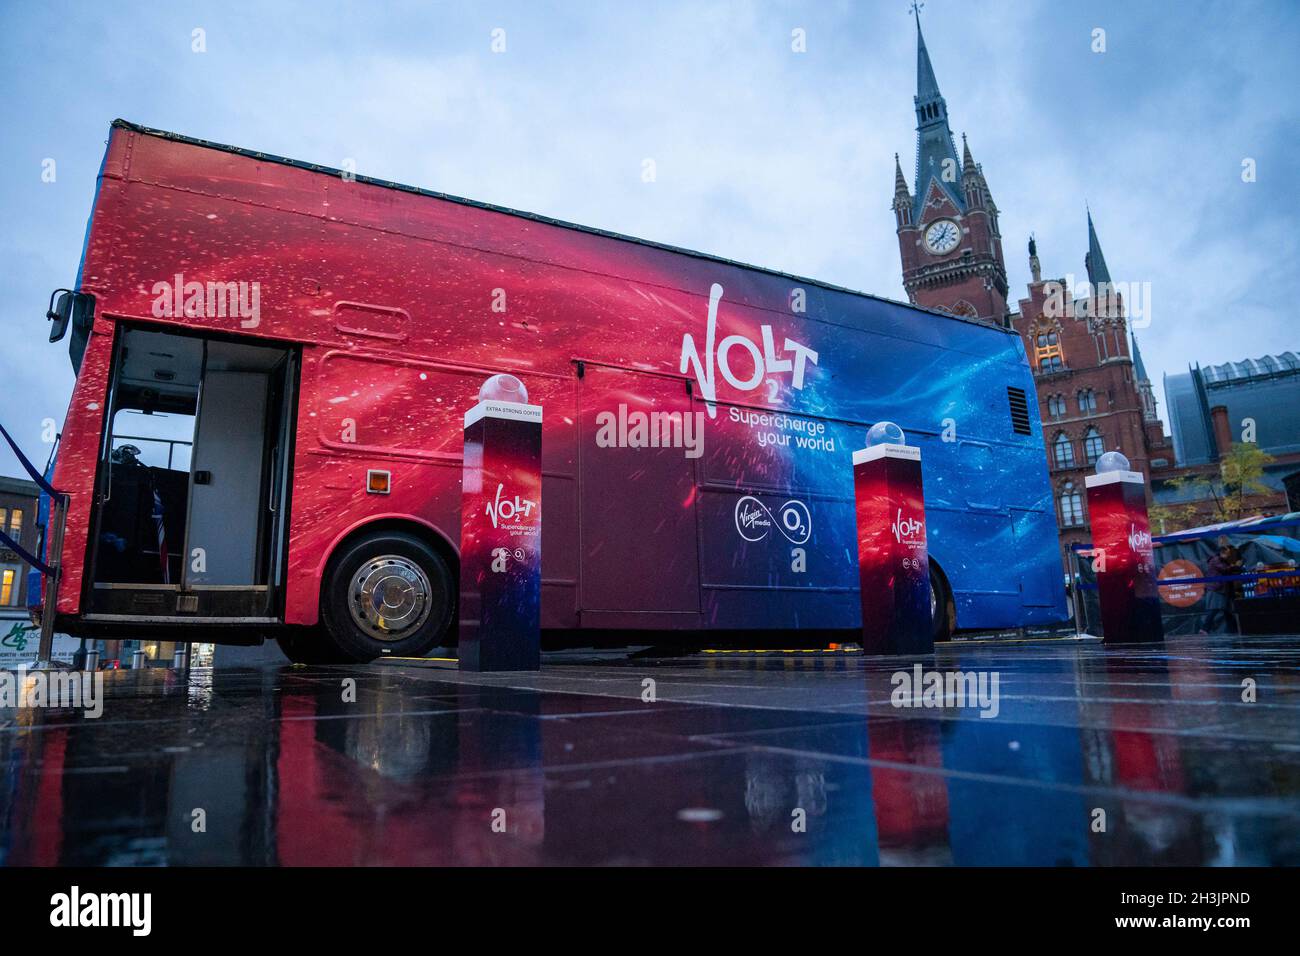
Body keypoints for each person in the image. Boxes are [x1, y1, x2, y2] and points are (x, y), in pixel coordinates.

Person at [1199, 538, 1243, 634]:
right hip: (1216, 589)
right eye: (1227, 554)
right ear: (1222, 553)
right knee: (1214, 610)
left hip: (1221, 589)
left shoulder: (1221, 560)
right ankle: (1204, 629)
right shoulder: (1216, 560)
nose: (1228, 556)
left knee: (1226, 611)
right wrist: (1236, 565)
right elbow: (1225, 570)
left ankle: (1233, 630)